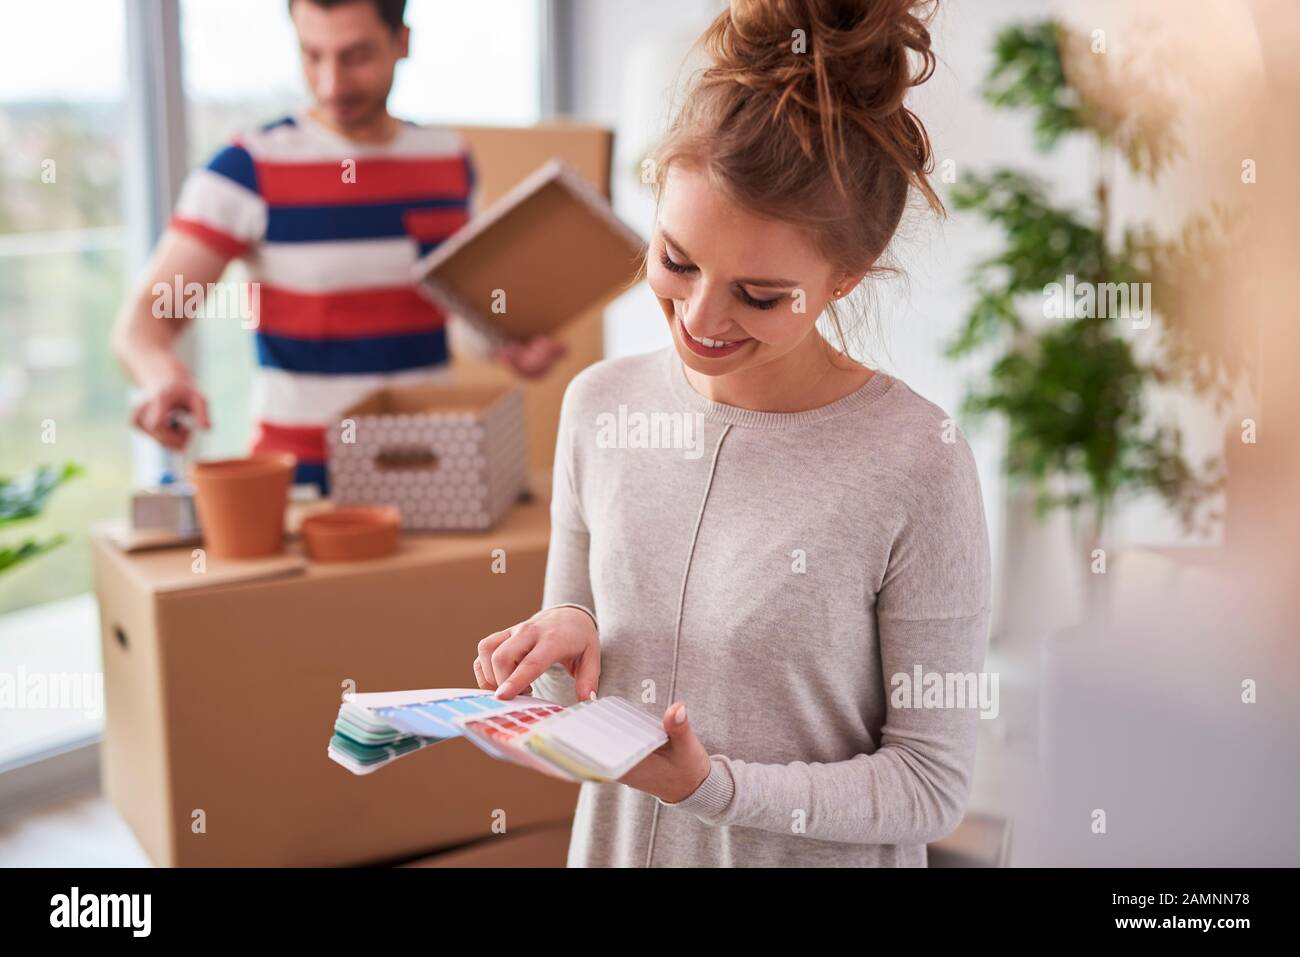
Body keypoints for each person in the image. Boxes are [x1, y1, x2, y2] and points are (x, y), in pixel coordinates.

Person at [472, 0, 992, 867]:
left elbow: (931, 785)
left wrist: (712, 786)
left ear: (845, 277)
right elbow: (582, 727)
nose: (700, 319)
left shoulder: (915, 461)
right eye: (676, 260)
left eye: (758, 294)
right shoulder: (598, 407)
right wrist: (559, 641)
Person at [111, 0, 564, 491]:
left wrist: (505, 346)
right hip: (299, 488)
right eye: (312, 56)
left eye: (356, 56)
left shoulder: (448, 156)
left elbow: (454, 316)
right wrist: (160, 377)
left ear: (402, 42)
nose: (332, 84)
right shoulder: (246, 168)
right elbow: (143, 323)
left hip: (428, 476)